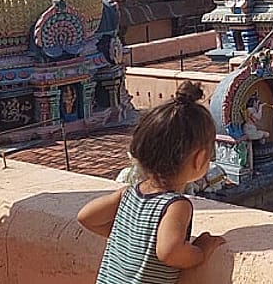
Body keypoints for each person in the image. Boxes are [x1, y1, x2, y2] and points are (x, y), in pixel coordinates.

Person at [78, 81, 226, 282]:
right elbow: (169, 251)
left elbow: (86, 217)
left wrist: (129, 240)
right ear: (199, 159)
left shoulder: (128, 193)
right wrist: (200, 251)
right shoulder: (176, 206)